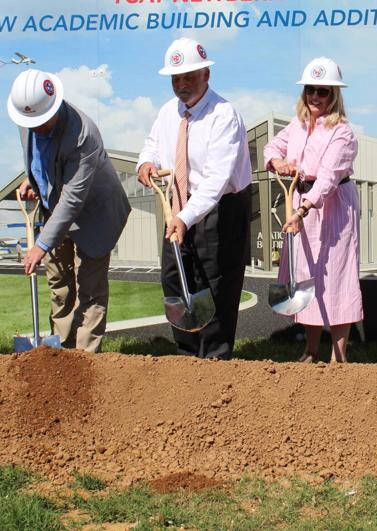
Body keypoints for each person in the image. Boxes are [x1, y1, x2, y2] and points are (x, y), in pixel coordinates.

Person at [137, 37, 251, 360]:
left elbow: (216, 180)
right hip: (177, 204)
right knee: (174, 278)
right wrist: (145, 163)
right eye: (176, 78)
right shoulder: (167, 112)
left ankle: (215, 358)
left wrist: (185, 218)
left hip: (220, 208)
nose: (181, 85)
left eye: (189, 77)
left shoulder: (223, 115)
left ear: (206, 75)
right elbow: (151, 144)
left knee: (213, 284)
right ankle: (187, 355)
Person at [7, 69, 131, 353]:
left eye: (41, 121)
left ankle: (86, 357)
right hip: (55, 209)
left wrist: (40, 246)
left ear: (54, 106)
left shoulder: (83, 134)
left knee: (91, 288)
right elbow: (42, 157)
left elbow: (73, 198)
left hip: (95, 214)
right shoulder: (27, 117)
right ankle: (59, 351)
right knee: (59, 285)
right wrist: (34, 181)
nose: (36, 127)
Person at [263, 57, 363, 363]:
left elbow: (328, 178)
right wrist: (278, 162)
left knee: (337, 275)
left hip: (333, 207)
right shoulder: (298, 124)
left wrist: (302, 210)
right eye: (310, 89)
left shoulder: (343, 133)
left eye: (322, 91)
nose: (315, 96)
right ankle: (310, 350)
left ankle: (339, 354)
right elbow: (271, 148)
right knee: (306, 273)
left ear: (334, 94)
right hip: (301, 201)